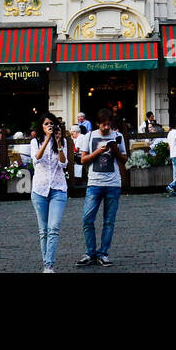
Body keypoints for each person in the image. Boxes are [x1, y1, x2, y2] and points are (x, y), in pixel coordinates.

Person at [78, 108, 126, 266]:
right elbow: (83, 160)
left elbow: (124, 159)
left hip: (113, 184)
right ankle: (90, 252)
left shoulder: (118, 136)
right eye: (104, 125)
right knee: (87, 219)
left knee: (109, 221)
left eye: (109, 125)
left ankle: (103, 253)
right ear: (98, 123)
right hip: (94, 183)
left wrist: (116, 151)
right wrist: (98, 151)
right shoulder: (89, 136)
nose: (106, 128)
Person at [30, 114, 70, 272]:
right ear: (42, 126)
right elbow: (36, 159)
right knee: (43, 230)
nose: (49, 126)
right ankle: (47, 263)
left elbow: (64, 163)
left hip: (58, 189)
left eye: (52, 124)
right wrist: (47, 139)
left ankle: (49, 265)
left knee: (53, 228)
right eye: (46, 124)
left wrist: (58, 142)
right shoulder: (35, 141)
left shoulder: (62, 141)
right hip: (39, 189)